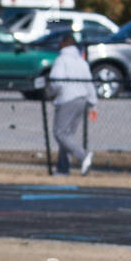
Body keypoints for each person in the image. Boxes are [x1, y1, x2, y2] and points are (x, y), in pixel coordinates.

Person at [47, 33, 97, 176]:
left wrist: (51, 91)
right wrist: (93, 103)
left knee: (60, 133)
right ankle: (63, 169)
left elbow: (56, 81)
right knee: (67, 136)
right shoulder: (81, 62)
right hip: (82, 100)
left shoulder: (62, 60)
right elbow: (89, 83)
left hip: (67, 99)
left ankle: (83, 156)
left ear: (63, 44)